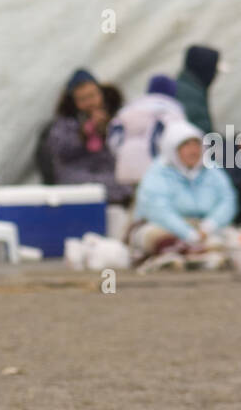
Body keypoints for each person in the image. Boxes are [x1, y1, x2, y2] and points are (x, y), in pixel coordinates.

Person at [129, 119, 238, 269]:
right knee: (151, 236)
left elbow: (227, 199)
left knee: (231, 238)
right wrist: (187, 233)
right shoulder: (157, 172)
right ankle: (198, 256)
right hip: (167, 227)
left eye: (196, 144)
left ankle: (194, 256)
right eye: (186, 145)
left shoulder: (212, 170)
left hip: (205, 227)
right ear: (172, 148)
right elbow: (157, 209)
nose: (193, 150)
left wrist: (209, 226)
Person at [42, 69, 131, 203]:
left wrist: (107, 129)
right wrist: (82, 134)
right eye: (83, 99)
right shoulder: (64, 123)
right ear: (73, 102)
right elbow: (58, 151)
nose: (90, 103)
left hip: (110, 174)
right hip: (77, 176)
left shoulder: (117, 116)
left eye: (93, 96)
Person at [106, 74, 185, 186]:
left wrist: (121, 154)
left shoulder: (130, 108)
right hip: (158, 168)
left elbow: (114, 135)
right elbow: (176, 139)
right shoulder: (171, 110)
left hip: (126, 166)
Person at [175, 45, 221, 134]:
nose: (215, 76)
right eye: (214, 71)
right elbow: (204, 135)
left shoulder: (183, 85)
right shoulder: (191, 96)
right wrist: (232, 144)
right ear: (207, 70)